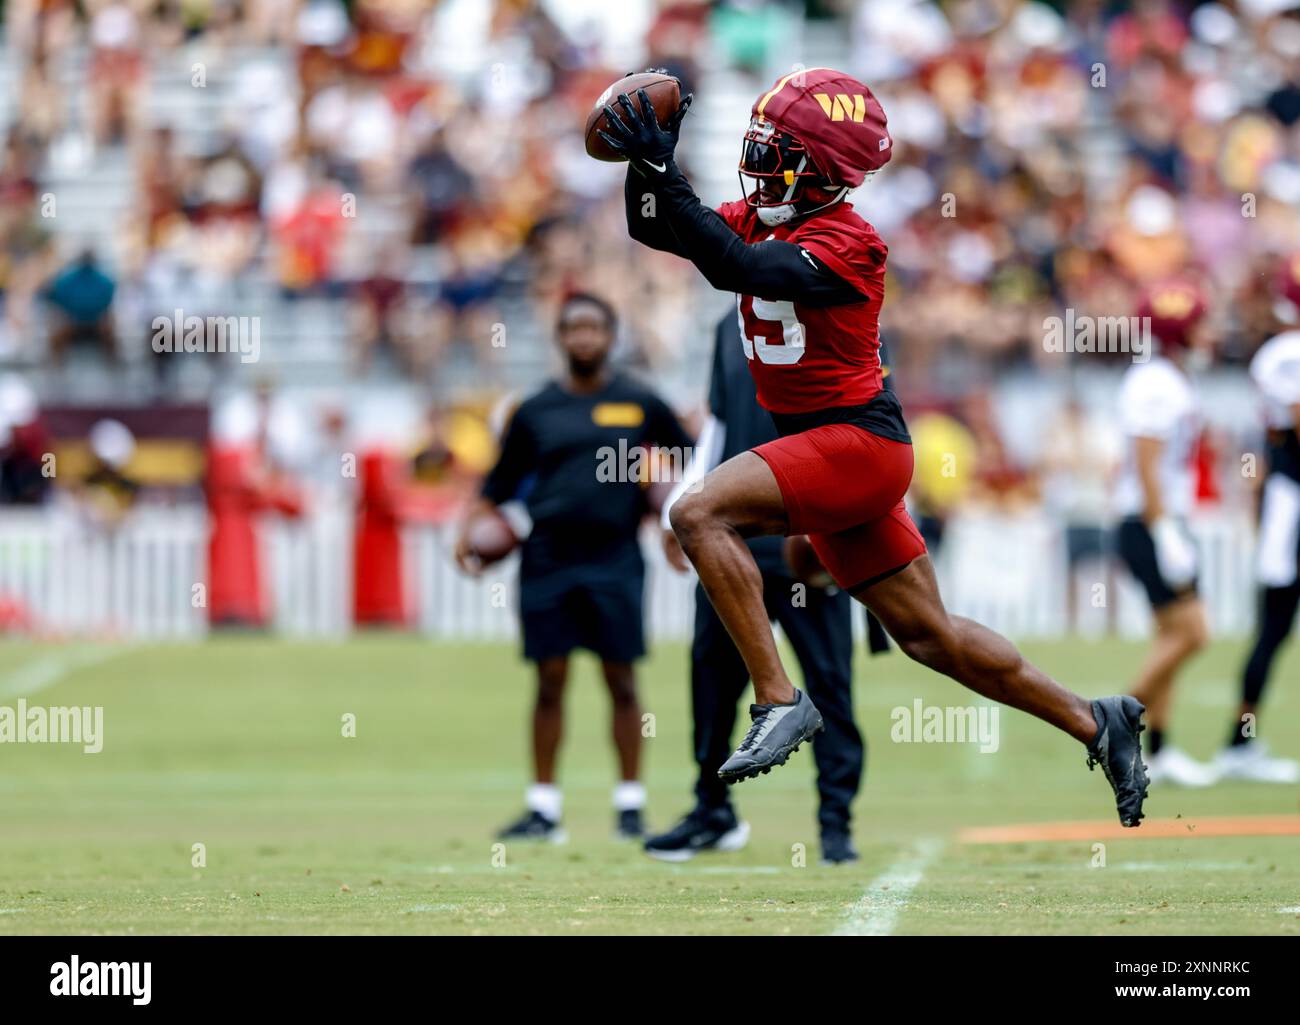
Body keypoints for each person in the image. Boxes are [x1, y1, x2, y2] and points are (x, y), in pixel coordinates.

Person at [599, 68, 1147, 826]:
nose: (760, 158)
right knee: (931, 635)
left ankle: (779, 697)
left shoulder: (850, 238)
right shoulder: (774, 217)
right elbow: (654, 223)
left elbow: (735, 266)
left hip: (857, 444)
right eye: (759, 141)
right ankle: (1097, 720)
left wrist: (665, 171)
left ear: (824, 166)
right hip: (825, 448)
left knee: (698, 516)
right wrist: (646, 162)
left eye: (778, 147)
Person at [455, 292, 694, 842]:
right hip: (548, 557)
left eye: (594, 328)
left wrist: (673, 516)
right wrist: (467, 530)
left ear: (611, 336)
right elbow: (497, 485)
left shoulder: (640, 401)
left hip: (615, 556)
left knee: (622, 679)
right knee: (549, 680)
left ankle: (630, 806)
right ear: (560, 338)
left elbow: (691, 460)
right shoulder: (536, 408)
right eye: (573, 328)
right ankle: (544, 809)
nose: (584, 337)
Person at [647, 313, 872, 866]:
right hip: (731, 536)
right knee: (711, 681)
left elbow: (871, 419)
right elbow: (719, 426)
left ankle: (835, 825)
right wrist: (682, 507)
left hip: (808, 536)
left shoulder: (832, 302)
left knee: (830, 685)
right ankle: (711, 811)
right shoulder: (727, 324)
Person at [1112, 280, 1217, 786]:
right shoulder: (1156, 383)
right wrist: (1167, 532)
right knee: (1194, 633)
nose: (1211, 332)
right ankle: (1113, 721)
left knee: (1171, 635)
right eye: (1201, 323)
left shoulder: (1166, 378)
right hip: (1149, 522)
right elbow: (1147, 466)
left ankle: (1163, 747)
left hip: (1156, 520)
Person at [1216, 256, 1300, 783]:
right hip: (1291, 500)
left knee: (1272, 629)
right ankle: (1238, 743)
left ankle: (1237, 741)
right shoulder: (1286, 355)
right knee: (1273, 626)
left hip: (1283, 494)